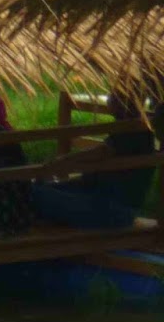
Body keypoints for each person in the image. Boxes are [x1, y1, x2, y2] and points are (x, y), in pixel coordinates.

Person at [31, 92, 157, 229]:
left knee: (33, 193)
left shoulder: (133, 130)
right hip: (104, 204)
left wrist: (60, 163)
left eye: (115, 95)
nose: (110, 98)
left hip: (110, 212)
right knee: (40, 190)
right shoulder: (131, 129)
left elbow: (98, 154)